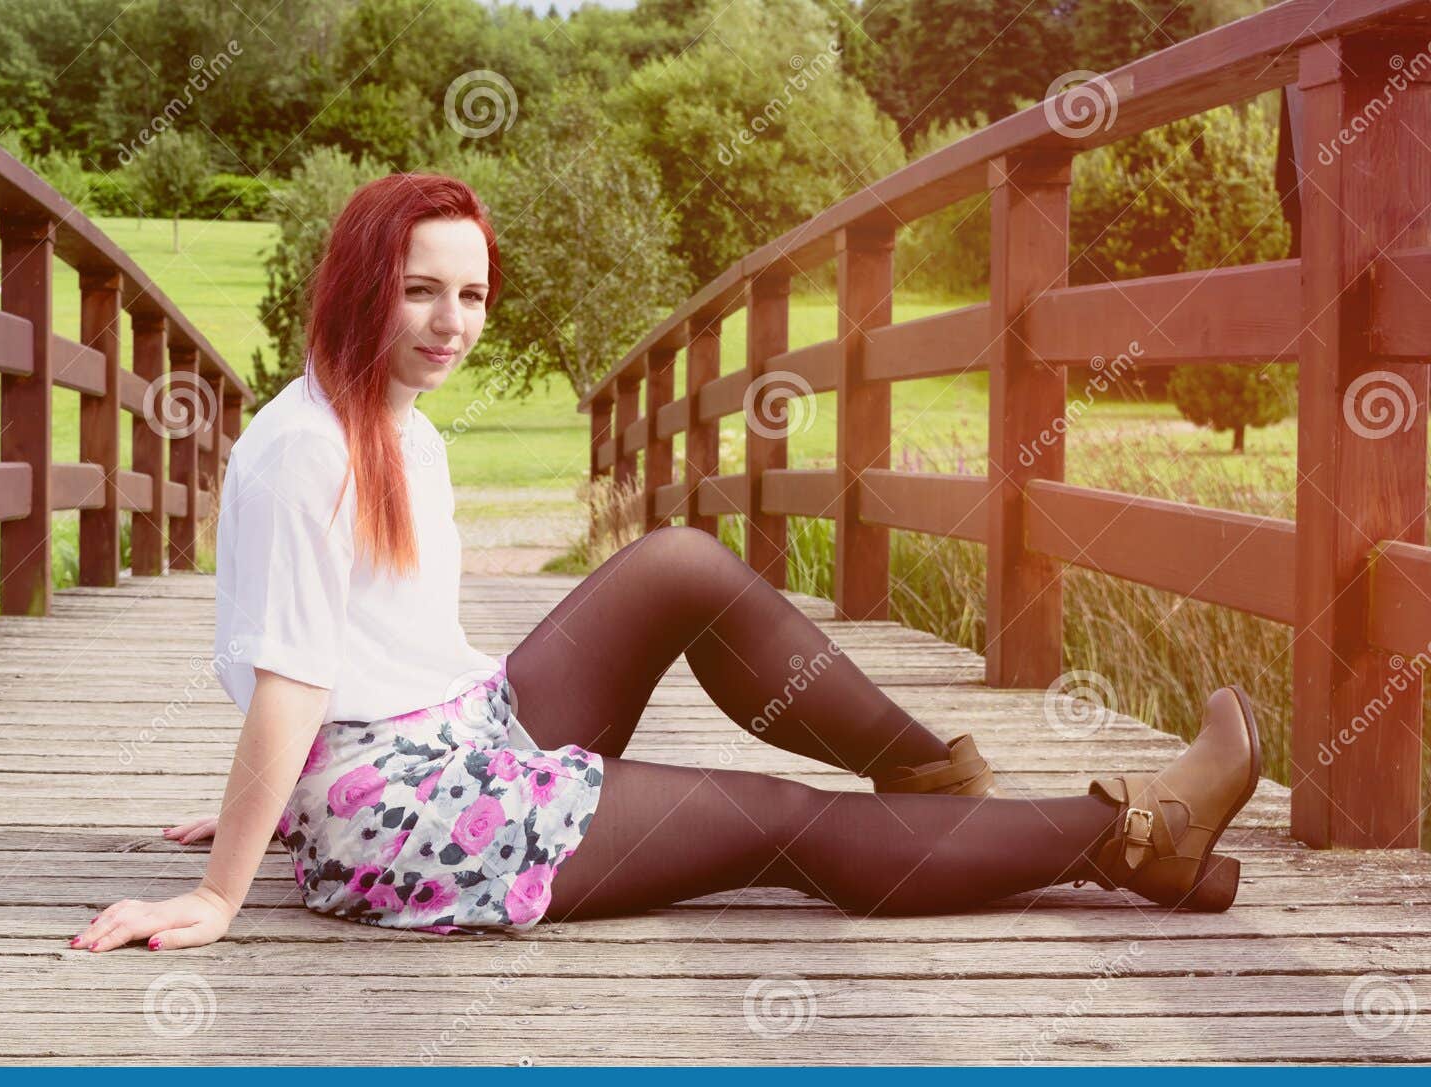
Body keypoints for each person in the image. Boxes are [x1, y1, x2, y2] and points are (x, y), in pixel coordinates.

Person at [70, 173, 1262, 954]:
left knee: (681, 563)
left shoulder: (396, 420)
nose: (451, 321)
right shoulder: (304, 452)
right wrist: (223, 888)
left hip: (456, 732)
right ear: (358, 284)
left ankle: (934, 791)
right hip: (412, 813)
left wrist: (270, 800)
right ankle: (1135, 836)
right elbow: (292, 677)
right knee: (784, 828)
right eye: (419, 289)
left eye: (472, 292)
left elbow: (366, 648)